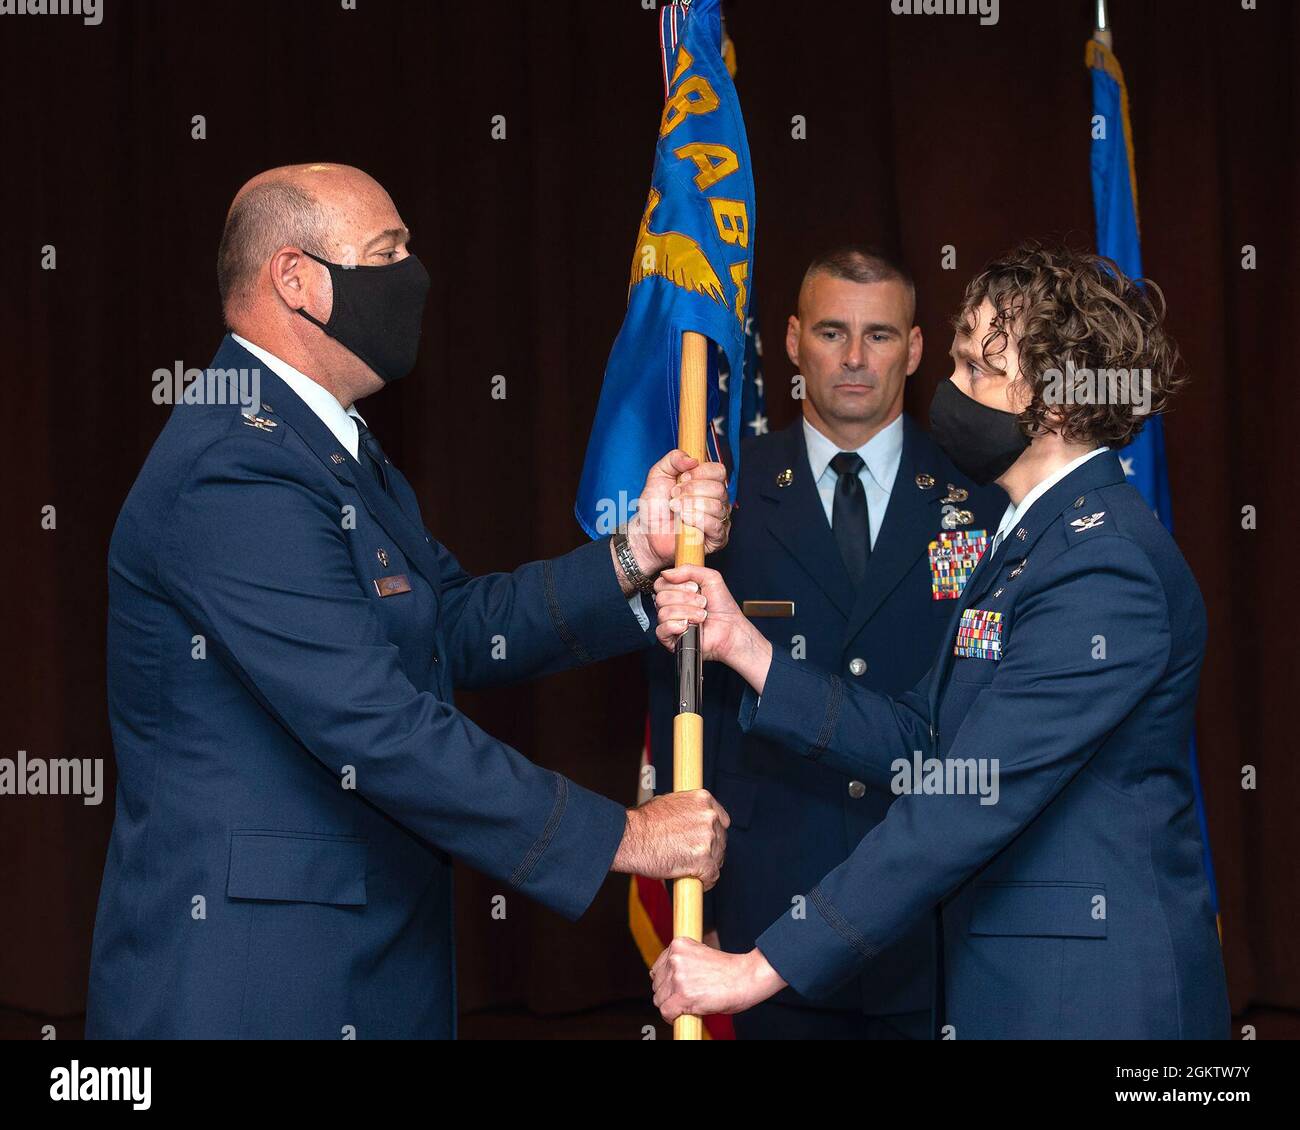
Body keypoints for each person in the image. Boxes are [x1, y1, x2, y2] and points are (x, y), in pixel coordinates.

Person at [87, 162, 733, 1039]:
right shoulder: (232, 467)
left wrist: (635, 551)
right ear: (296, 279)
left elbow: (453, 626)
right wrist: (623, 836)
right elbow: (375, 723)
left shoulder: (329, 443)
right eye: (386, 253)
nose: (412, 278)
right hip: (259, 981)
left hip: (363, 960)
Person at [649, 242, 1230, 1039]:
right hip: (1010, 988)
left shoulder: (1104, 565)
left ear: (1056, 403)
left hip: (1088, 1001)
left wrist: (762, 966)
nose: (949, 392)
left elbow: (968, 794)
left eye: (975, 370)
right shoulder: (1029, 541)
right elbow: (920, 739)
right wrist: (743, 645)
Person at [646, 247, 1001, 1039]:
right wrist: (687, 877)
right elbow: (677, 693)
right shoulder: (718, 496)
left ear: (913, 349)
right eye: (833, 332)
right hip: (771, 904)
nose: (853, 357)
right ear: (795, 339)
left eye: (879, 336)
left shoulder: (980, 496)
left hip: (935, 909)